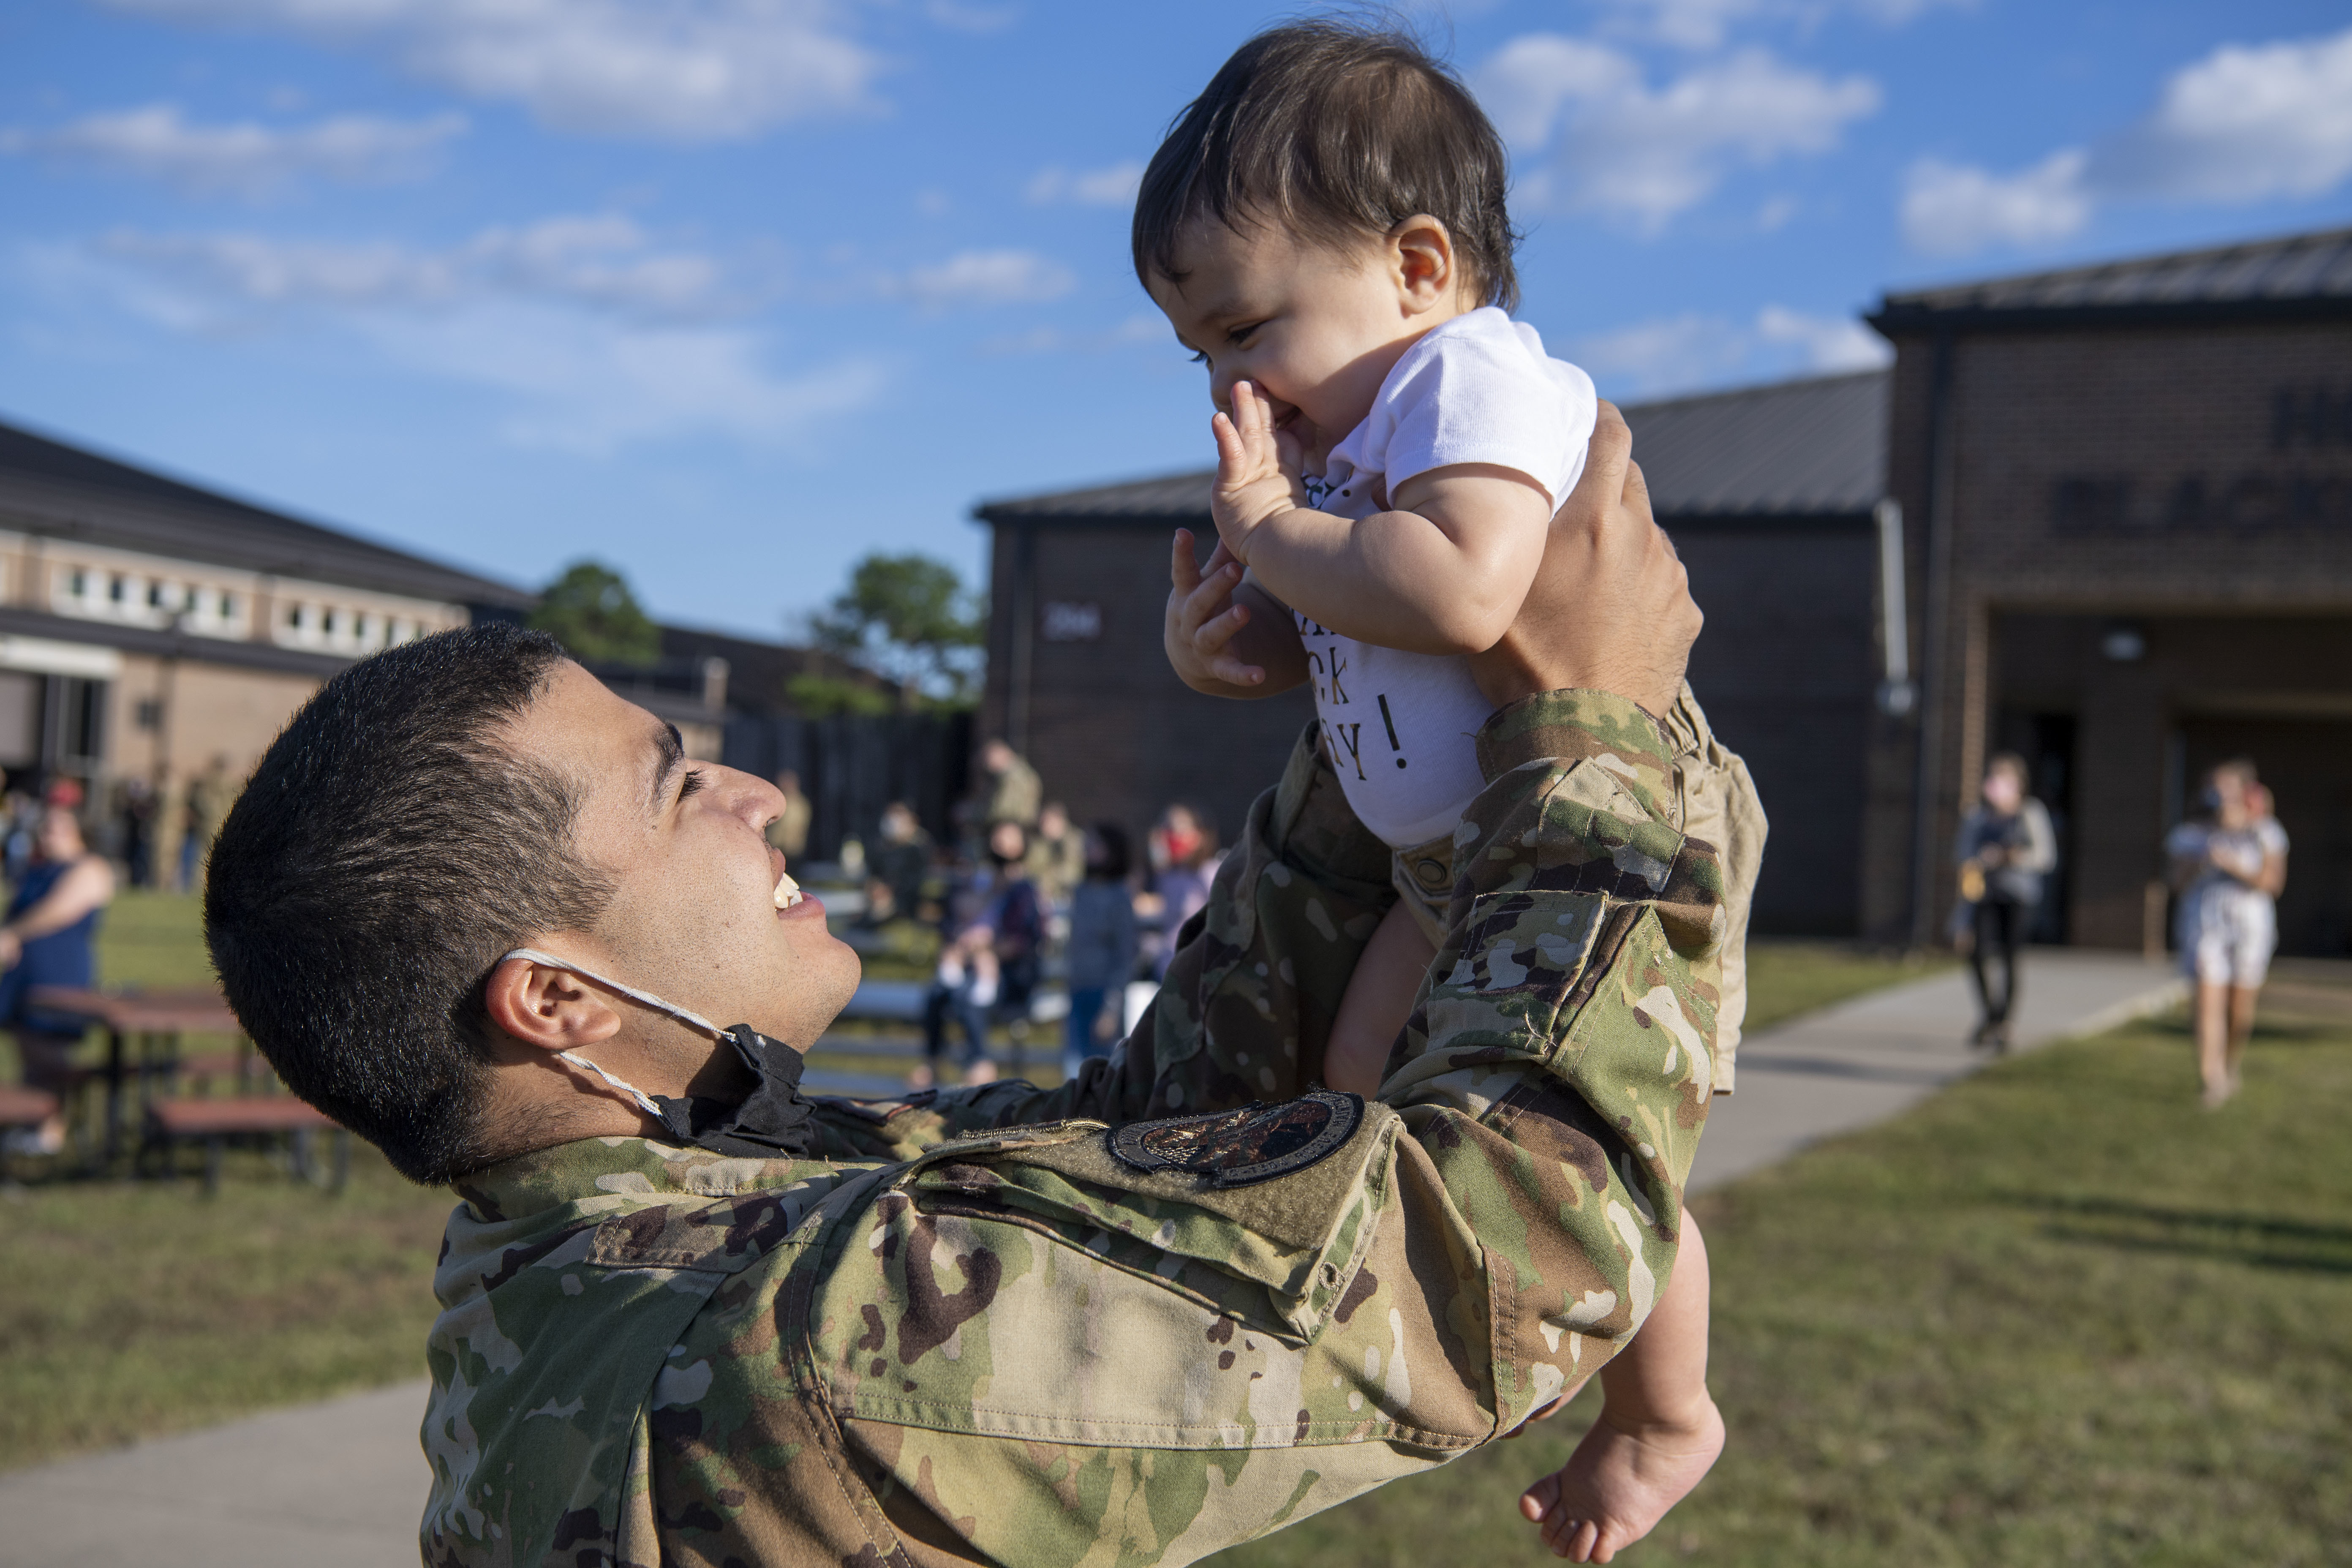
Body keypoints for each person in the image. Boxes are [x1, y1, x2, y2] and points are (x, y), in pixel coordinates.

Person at [201, 396, 1727, 1568]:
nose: (759, 794)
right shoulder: (778, 1342)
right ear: (555, 1004)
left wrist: (1376, 704)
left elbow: (1171, 1118)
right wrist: (1593, 741)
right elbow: (1510, 1255)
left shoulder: (669, 1218)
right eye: (677, 791)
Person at [1138, 21, 1765, 1118]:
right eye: (1205, 354)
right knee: (1367, 1081)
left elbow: (1454, 594)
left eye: (1246, 330)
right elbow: (1349, 632)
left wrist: (1272, 519)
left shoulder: (1465, 381)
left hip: (1594, 818)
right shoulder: (1346, 441)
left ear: (1418, 269)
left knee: (1562, 1115)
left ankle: (1657, 1299)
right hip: (1450, 862)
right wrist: (1228, 639)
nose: (1228, 387)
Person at [2165, 761, 2287, 1108]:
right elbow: (2176, 884)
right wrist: (2204, 858)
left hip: (2250, 925)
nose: (2220, 796)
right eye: (2215, 788)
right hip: (2205, 922)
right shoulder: (2192, 833)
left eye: (2229, 788)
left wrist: (2235, 865)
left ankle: (2229, 1064)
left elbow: (2272, 884)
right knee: (2207, 1000)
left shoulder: (2264, 833)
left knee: (2239, 1009)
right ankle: (2211, 1078)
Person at [0, 805, 117, 1153]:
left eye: (56, 827)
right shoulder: (38, 868)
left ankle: (53, 1129)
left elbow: (60, 910)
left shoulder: (90, 868)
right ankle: (31, 1123)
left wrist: (11, 934)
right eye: (45, 826)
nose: (47, 833)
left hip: (58, 973)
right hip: (23, 974)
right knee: (28, 1053)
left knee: (50, 1051)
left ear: (78, 831)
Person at [915, 819, 1045, 1092]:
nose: (1003, 848)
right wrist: (961, 947)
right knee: (937, 993)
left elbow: (1022, 941)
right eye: (998, 841)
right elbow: (951, 922)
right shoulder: (978, 884)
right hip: (972, 964)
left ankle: (981, 1065)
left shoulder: (1025, 891)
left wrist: (986, 950)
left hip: (1010, 974)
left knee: (967, 997)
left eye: (1010, 841)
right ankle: (933, 1062)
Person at [1952, 752, 2057, 1051]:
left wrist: (2015, 857)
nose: (1997, 783)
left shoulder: (2030, 813)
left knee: (2011, 958)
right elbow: (1964, 860)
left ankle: (2004, 1024)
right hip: (1984, 894)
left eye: (2004, 777)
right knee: (1977, 954)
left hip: (2018, 896)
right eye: (1993, 776)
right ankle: (1990, 1015)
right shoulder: (1978, 817)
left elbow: (2045, 857)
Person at [1062, 821, 1140, 1080]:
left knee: (1102, 1073)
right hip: (1077, 991)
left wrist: (1111, 1007)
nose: (1088, 849)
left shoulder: (1119, 897)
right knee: (1074, 1071)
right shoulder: (1081, 892)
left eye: (1095, 844)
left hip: (1104, 994)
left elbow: (1125, 955)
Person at [1140, 802, 1218, 980]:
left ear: (1199, 834)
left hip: (1199, 969)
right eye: (1167, 829)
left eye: (1178, 829)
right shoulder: (1167, 876)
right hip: (1168, 969)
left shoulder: (1210, 874)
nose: (1172, 836)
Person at [863, 800, 933, 926]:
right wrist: (875, 887)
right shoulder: (881, 846)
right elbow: (873, 874)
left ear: (912, 820)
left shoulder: (919, 847)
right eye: (891, 814)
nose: (893, 820)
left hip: (909, 909)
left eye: (899, 814)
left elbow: (918, 882)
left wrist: (891, 892)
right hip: (878, 904)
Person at [178, 754, 231, 892]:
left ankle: (201, 886)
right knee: (207, 855)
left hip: (212, 823)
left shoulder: (211, 783)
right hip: (215, 824)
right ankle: (201, 886)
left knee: (205, 855)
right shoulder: (220, 783)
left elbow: (203, 802)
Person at [1024, 800, 1087, 909]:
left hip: (1068, 898)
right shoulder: (1038, 843)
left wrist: (1046, 884)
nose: (1043, 826)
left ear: (1060, 821)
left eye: (1048, 821)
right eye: (1042, 822)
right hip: (1039, 897)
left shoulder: (1075, 842)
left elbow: (1072, 873)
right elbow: (1029, 867)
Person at [972, 738, 1042, 830]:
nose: (988, 765)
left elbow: (1004, 812)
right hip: (1016, 829)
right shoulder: (1016, 774)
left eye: (989, 759)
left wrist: (973, 814)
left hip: (1014, 830)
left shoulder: (1014, 778)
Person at [763, 768, 812, 860]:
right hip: (783, 847)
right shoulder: (800, 802)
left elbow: (792, 826)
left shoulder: (795, 804)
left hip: (788, 849)